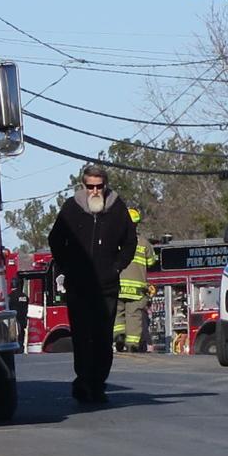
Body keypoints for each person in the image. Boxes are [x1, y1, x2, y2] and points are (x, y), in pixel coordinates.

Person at [47, 164, 136, 404]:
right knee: (82, 335)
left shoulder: (117, 208)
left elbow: (130, 242)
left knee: (103, 337)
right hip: (79, 285)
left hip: (107, 286)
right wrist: (68, 266)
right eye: (90, 187)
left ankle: (98, 383)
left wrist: (116, 266)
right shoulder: (71, 208)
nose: (95, 191)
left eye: (99, 186)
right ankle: (83, 381)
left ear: (105, 186)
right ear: (83, 186)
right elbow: (55, 239)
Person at [114, 207, 154, 352]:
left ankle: (119, 335)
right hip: (136, 289)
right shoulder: (143, 243)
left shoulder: (113, 242)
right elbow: (151, 262)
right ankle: (132, 344)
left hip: (117, 287)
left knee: (117, 312)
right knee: (134, 315)